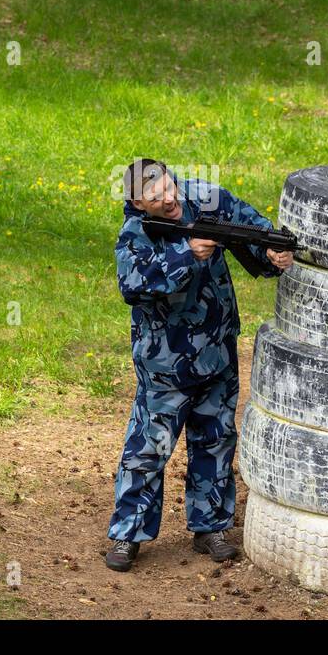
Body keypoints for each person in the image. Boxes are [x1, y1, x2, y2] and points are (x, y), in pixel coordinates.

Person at [105, 158, 293, 572]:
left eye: (170, 187)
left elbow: (249, 227)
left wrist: (271, 253)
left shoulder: (204, 198)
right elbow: (133, 286)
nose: (170, 199)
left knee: (216, 440)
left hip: (218, 352)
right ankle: (127, 534)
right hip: (165, 364)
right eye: (157, 198)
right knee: (148, 452)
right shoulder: (134, 234)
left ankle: (211, 527)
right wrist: (187, 254)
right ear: (138, 202)